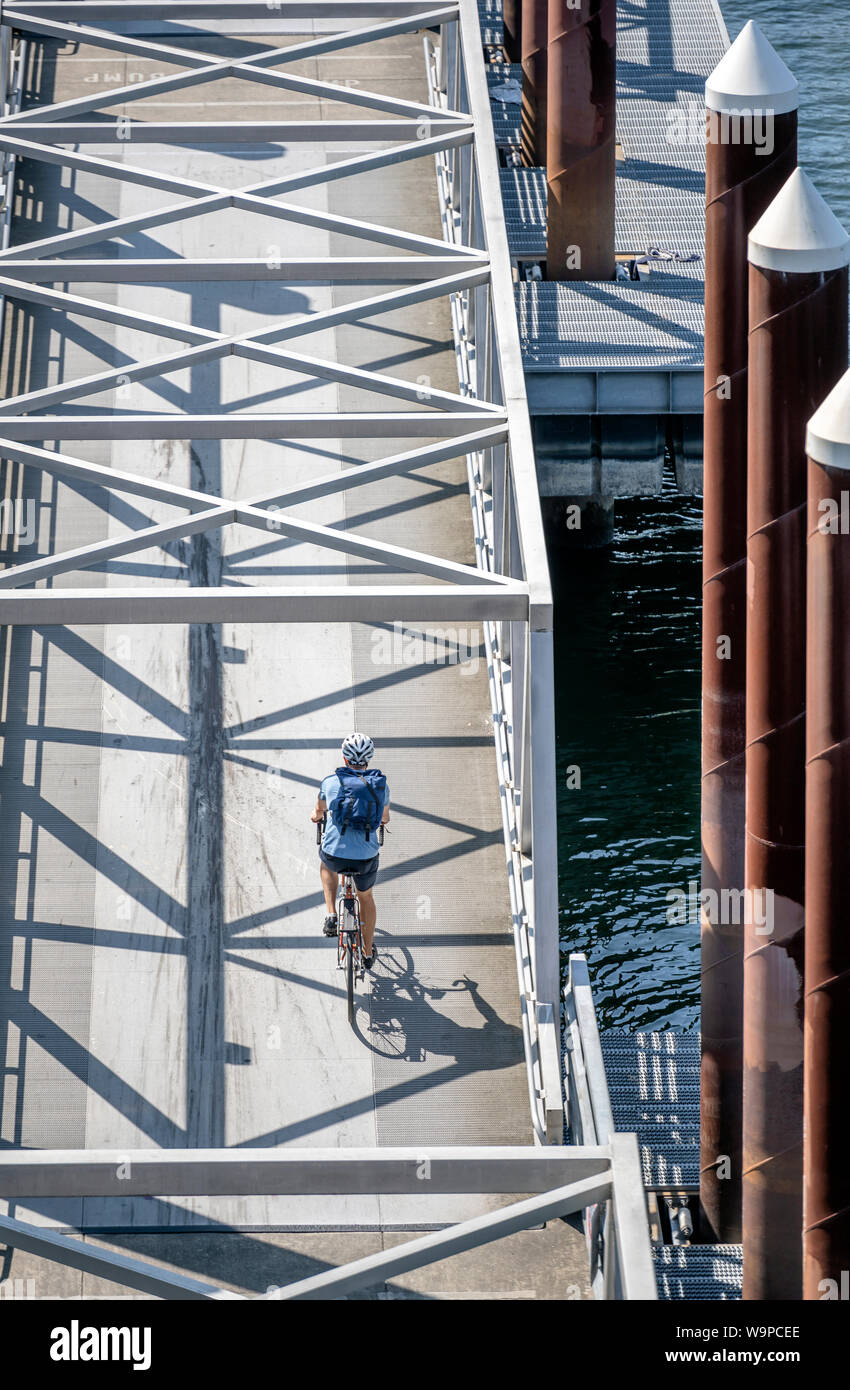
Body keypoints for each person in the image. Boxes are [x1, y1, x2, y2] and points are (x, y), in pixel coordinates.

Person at [311, 732, 390, 969]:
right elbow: (384, 818)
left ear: (345, 758)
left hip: (336, 852)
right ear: (370, 758)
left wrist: (316, 816)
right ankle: (367, 953)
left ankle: (331, 915)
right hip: (365, 856)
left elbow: (319, 811)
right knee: (366, 897)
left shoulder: (331, 782)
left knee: (326, 864)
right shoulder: (380, 786)